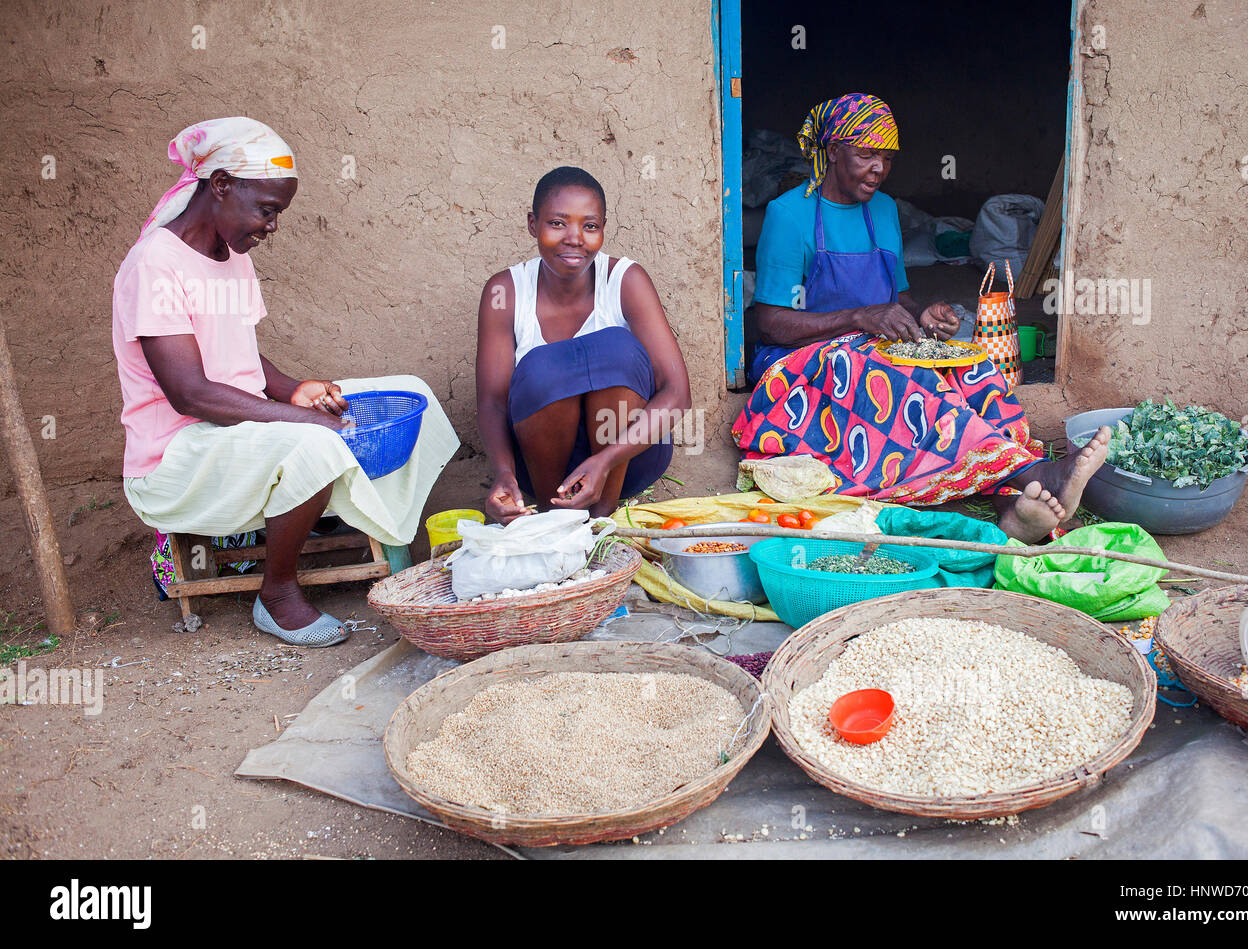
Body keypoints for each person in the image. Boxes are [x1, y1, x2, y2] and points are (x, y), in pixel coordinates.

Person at [112, 117, 459, 646]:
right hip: (175, 456)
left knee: (413, 392)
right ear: (222, 185)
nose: (272, 226)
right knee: (316, 441)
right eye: (268, 210)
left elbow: (241, 354)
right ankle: (277, 594)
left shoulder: (231, 257)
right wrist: (303, 418)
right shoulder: (155, 265)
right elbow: (190, 392)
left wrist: (295, 389)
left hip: (235, 429)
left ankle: (395, 545)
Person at [734, 94, 1109, 542]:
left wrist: (925, 316)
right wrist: (860, 316)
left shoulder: (885, 210)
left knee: (971, 368)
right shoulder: (789, 214)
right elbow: (771, 324)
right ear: (832, 151)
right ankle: (1035, 471)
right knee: (907, 385)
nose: (879, 169)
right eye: (866, 155)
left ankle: (1014, 502)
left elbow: (899, 300)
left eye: (886, 158)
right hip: (803, 361)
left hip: (873, 344)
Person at [476, 166, 691, 523]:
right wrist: (503, 473)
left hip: (626, 459)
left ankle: (601, 522)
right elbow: (492, 402)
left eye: (589, 226)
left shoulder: (625, 280)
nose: (574, 238)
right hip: (538, 466)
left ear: (603, 229)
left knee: (617, 351)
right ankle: (554, 517)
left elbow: (677, 394)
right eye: (558, 223)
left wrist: (606, 461)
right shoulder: (504, 292)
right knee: (542, 369)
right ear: (533, 224)